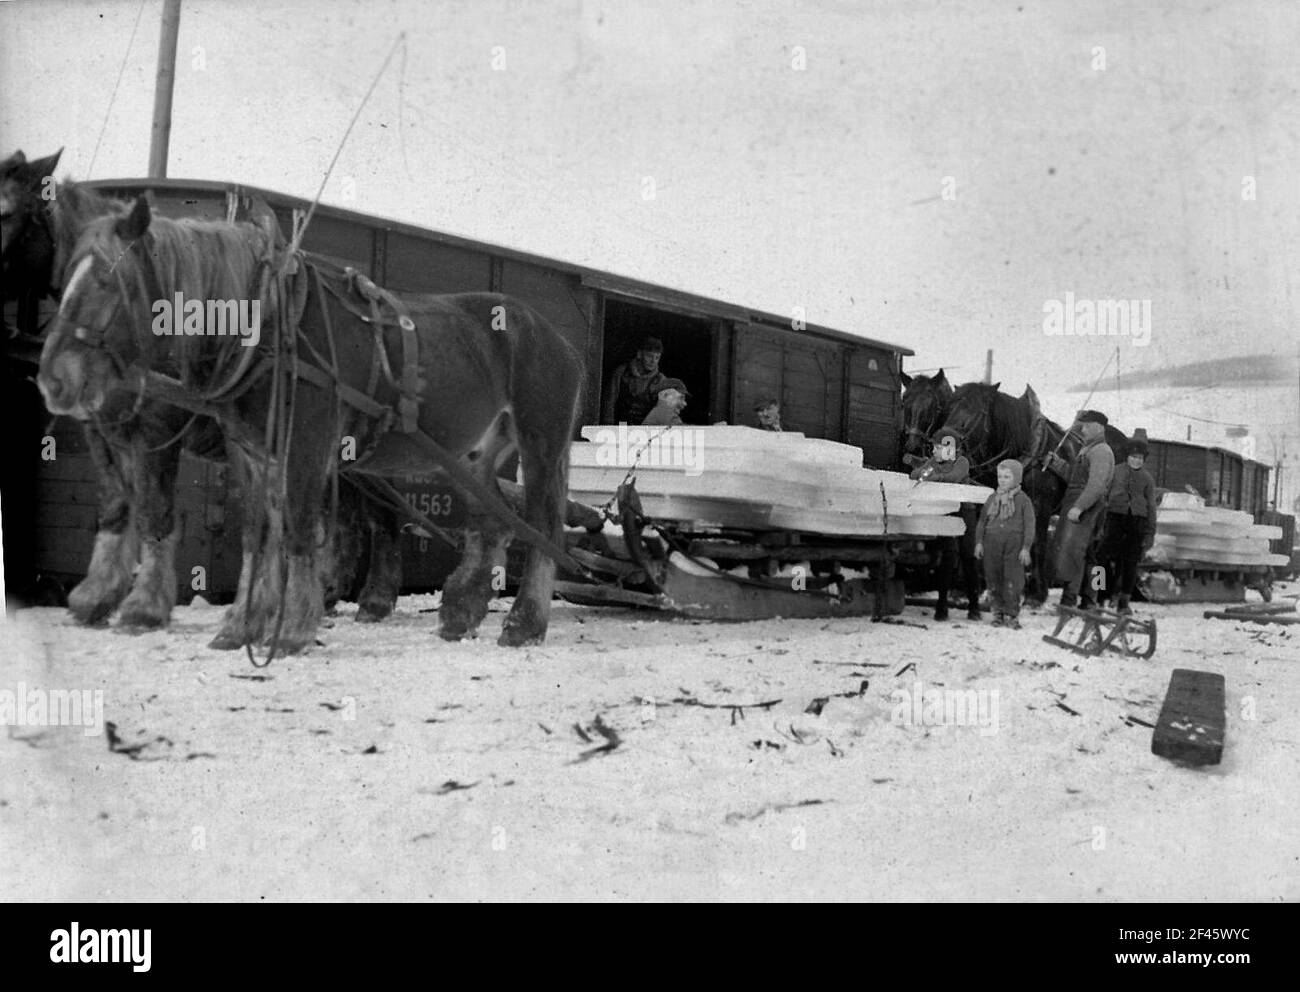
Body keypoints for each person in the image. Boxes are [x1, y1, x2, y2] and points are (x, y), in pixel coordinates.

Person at [910, 428, 981, 621]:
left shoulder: (962, 462)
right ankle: (941, 605)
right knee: (948, 556)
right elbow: (916, 474)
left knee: (968, 556)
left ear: (949, 448)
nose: (933, 451)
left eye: (937, 447)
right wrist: (928, 473)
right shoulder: (933, 462)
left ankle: (974, 606)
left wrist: (933, 477)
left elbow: (954, 477)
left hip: (965, 512)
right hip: (947, 511)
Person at [1054, 409, 1115, 609]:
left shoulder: (1101, 452)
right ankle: (1092, 600)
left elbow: (1096, 486)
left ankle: (1070, 601)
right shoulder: (1088, 449)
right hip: (1086, 503)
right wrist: (1056, 464)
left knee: (1075, 553)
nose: (1083, 429)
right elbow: (1075, 477)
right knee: (1090, 555)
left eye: (1087, 426)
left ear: (1098, 428)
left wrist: (1079, 507)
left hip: (1087, 506)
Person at [1097, 430, 1157, 614]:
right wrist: (1100, 522)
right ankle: (1097, 595)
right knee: (1100, 558)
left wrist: (1150, 533)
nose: (1136, 461)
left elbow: (1151, 507)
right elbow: (1103, 496)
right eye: (1133, 457)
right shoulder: (1115, 472)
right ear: (1127, 456)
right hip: (1115, 519)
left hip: (1137, 523)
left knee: (1130, 562)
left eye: (1140, 458)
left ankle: (1124, 601)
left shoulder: (1147, 479)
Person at [974, 459, 1036, 628]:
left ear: (1017, 478)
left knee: (1013, 579)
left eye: (1007, 477)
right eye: (1000, 476)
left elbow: (1030, 525)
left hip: (1014, 546)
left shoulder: (1023, 500)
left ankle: (1012, 614)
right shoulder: (992, 498)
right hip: (991, 543)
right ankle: (997, 612)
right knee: (993, 577)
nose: (1002, 480)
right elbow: (981, 521)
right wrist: (979, 542)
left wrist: (1026, 548)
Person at [602, 337, 669, 425]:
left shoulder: (661, 380)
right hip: (620, 426)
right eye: (649, 356)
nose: (653, 361)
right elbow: (609, 401)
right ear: (639, 354)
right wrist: (608, 427)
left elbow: (664, 412)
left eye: (657, 357)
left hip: (646, 429)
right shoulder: (622, 372)